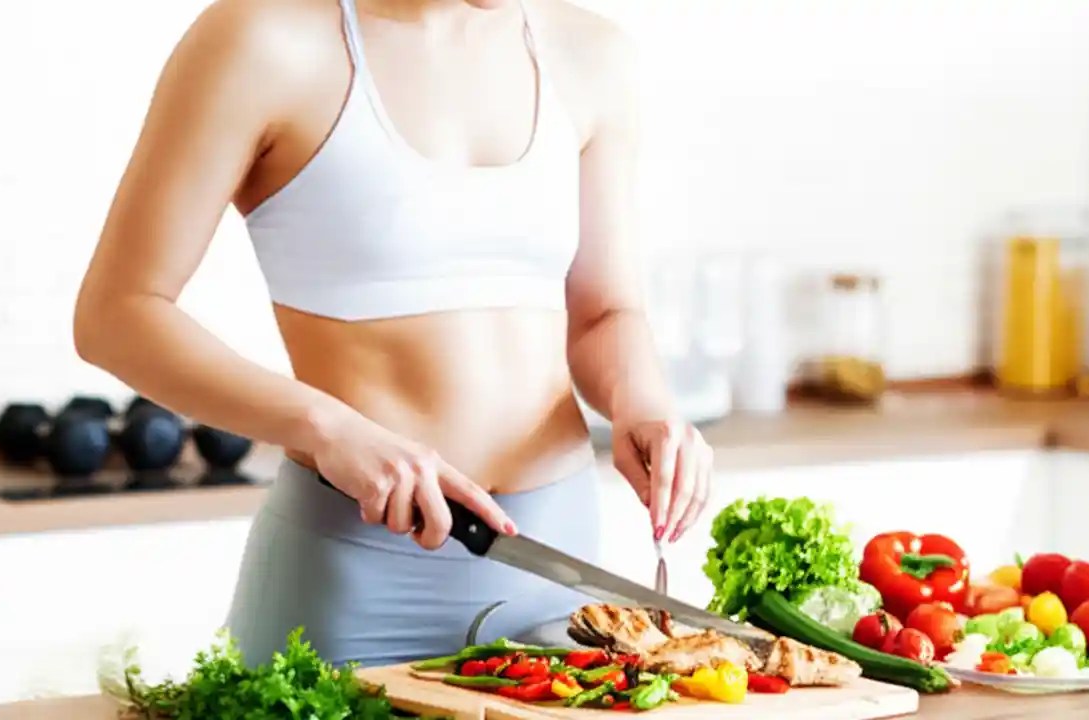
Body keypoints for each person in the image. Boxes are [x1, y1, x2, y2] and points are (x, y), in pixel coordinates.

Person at [73, 0, 714, 667]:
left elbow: (605, 310)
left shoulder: (591, 54)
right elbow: (117, 314)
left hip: (557, 570)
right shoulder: (266, 40)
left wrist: (643, 403)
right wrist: (329, 429)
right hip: (354, 577)